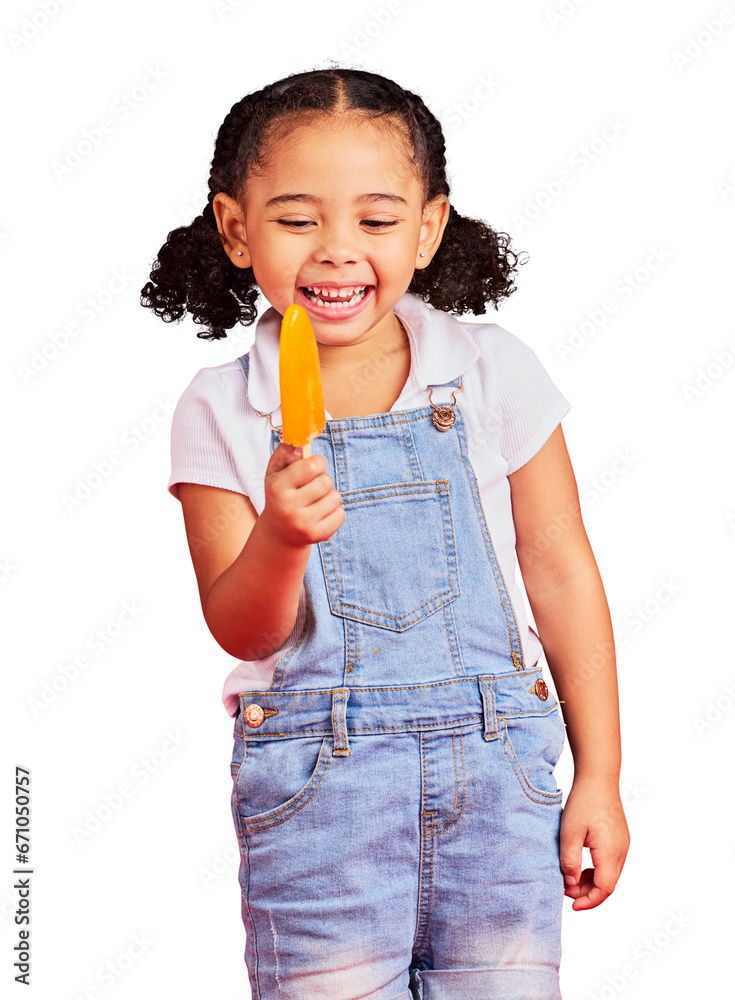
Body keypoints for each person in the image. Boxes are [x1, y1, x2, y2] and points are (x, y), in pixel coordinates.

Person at [141, 66, 629, 1000]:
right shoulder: (222, 408)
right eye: (296, 221)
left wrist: (598, 777)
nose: (336, 252)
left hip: (502, 784)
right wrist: (282, 536)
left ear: (427, 227)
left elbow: (562, 573)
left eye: (373, 221)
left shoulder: (493, 371)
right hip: (320, 795)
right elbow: (243, 632)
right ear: (236, 229)